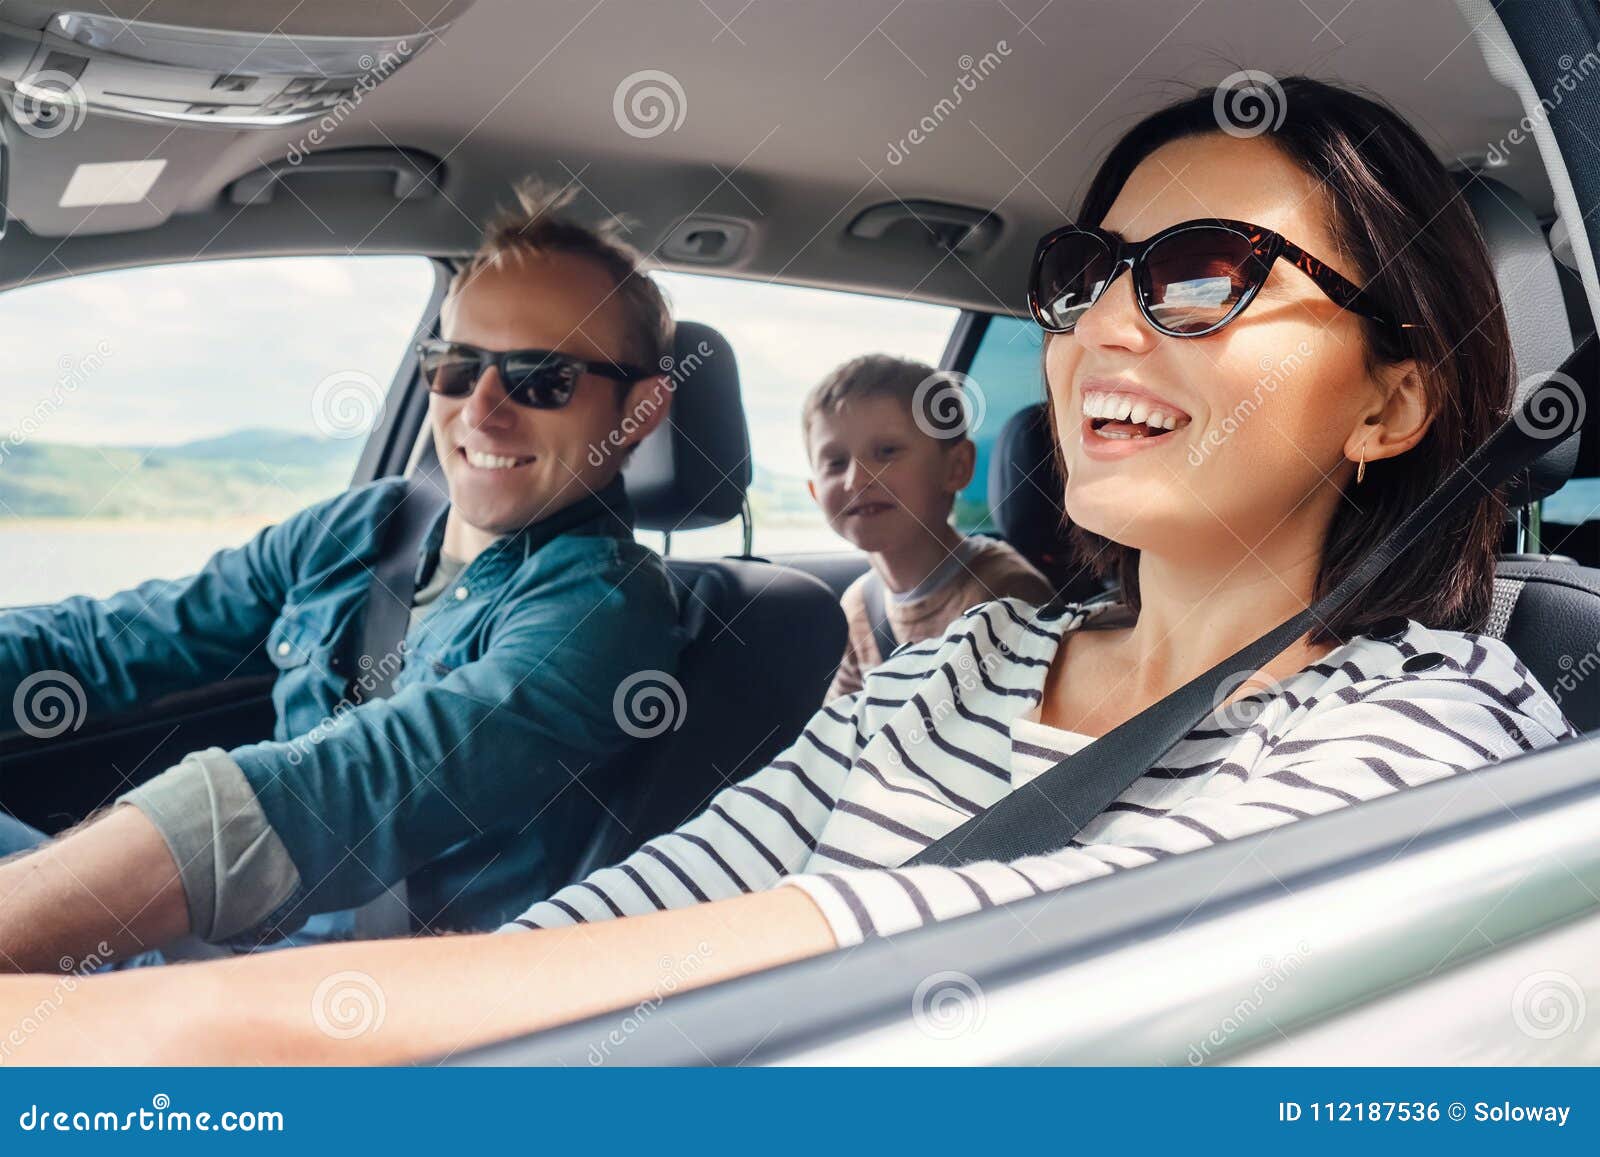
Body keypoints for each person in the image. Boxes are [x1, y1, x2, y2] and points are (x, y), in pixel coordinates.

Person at [0, 77, 1577, 1064]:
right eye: (1087, 274)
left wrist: (187, 1028)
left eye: (1202, 274)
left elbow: (981, 939)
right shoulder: (962, 665)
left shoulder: (1435, 724)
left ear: (1391, 401)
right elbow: (670, 898)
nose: (1101, 323)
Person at [0, 181, 686, 971]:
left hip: (339, 1005)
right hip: (229, 951)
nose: (481, 412)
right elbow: (106, 642)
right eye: (457, 367)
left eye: (542, 378)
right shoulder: (364, 528)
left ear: (640, 411)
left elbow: (354, 783)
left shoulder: (607, 608)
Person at [802, 354, 1053, 701]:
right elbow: (843, 722)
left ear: (956, 467)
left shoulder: (1005, 594)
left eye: (886, 451)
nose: (856, 479)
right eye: (835, 462)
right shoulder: (859, 604)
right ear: (814, 492)